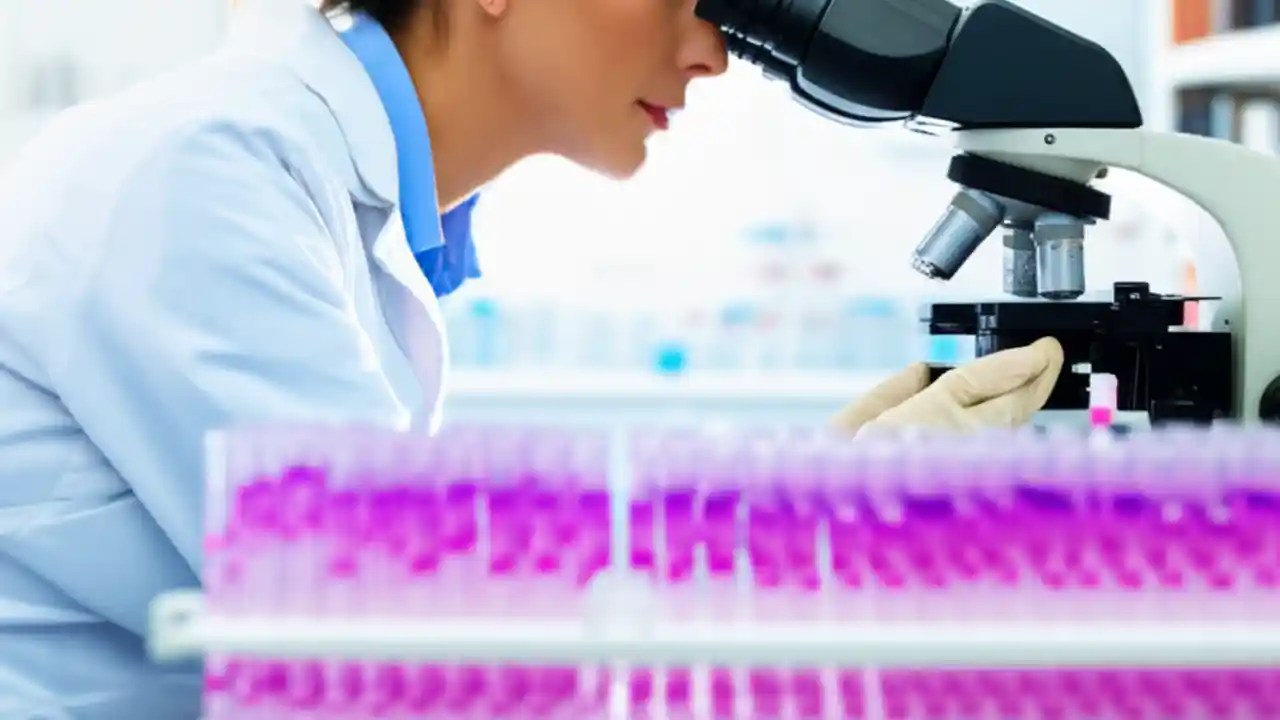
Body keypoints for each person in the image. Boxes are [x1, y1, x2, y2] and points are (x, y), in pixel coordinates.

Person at [0, 0, 1063, 715]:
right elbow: (421, 644)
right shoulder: (206, 175)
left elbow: (456, 586)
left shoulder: (325, 198)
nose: (710, 53)